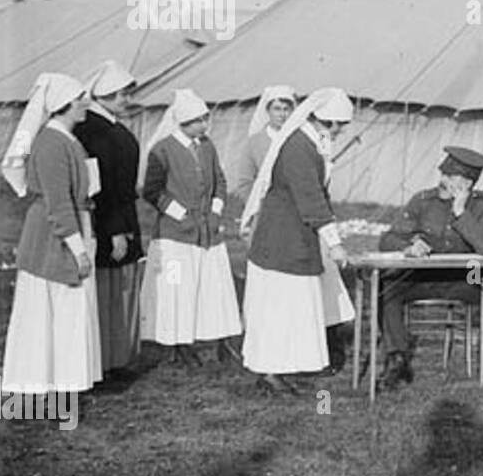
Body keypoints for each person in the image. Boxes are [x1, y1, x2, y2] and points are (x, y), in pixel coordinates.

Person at [240, 87, 356, 392]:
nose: (341, 131)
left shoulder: (313, 142)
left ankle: (282, 366)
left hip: (297, 233)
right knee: (278, 306)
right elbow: (310, 197)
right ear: (327, 122)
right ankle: (269, 370)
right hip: (282, 237)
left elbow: (319, 195)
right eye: (339, 125)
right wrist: (335, 242)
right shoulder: (298, 147)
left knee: (293, 306)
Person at [0, 73, 103, 395]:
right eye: (79, 100)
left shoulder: (68, 140)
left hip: (70, 225)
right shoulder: (51, 143)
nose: (85, 103)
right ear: (63, 105)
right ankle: (44, 384)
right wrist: (79, 249)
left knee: (68, 312)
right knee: (51, 311)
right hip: (53, 236)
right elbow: (58, 203)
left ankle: (65, 384)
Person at [377, 146, 483, 386]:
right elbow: (387, 239)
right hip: (423, 278)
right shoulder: (422, 200)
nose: (443, 181)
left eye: (450, 178)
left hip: (467, 277)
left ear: (467, 183)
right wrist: (410, 244)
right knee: (386, 291)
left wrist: (461, 213)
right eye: (444, 175)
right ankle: (396, 360)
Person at [139, 89, 243, 363]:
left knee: (213, 285)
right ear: (183, 123)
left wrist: (216, 210)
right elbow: (152, 191)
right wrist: (180, 215)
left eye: (205, 119)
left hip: (207, 230)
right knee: (176, 286)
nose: (204, 125)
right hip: (175, 236)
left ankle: (218, 338)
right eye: (198, 120)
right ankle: (176, 342)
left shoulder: (206, 146)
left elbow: (219, 180)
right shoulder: (162, 150)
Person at [73, 60, 144, 378]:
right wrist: (115, 230)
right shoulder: (93, 131)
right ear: (104, 96)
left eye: (127, 94)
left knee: (120, 292)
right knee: (106, 293)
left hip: (123, 217)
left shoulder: (111, 126)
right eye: (121, 95)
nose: (126, 101)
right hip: (107, 221)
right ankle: (102, 361)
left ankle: (116, 359)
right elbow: (102, 188)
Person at [236, 85, 297, 202]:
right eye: (277, 109)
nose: (282, 115)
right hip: (264, 205)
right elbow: (245, 182)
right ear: (268, 111)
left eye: (286, 109)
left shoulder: (298, 140)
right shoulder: (254, 143)